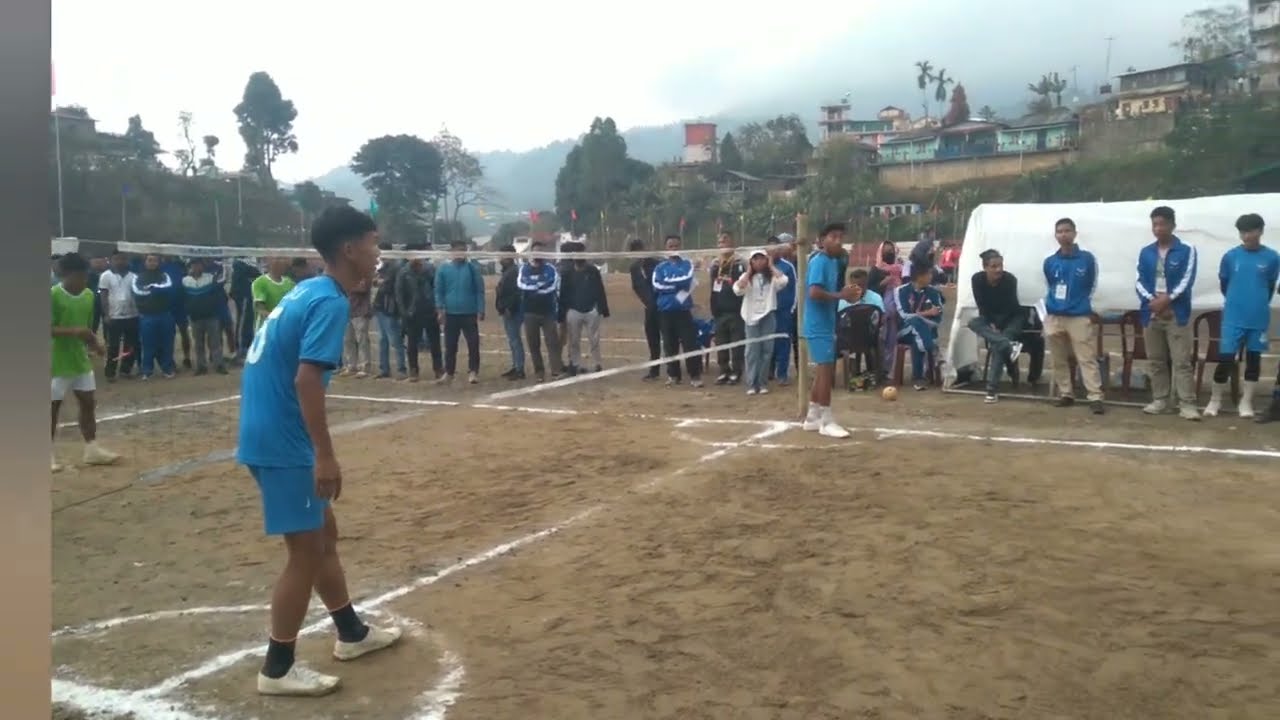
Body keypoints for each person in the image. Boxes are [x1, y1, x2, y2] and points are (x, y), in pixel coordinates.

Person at [237, 205, 401, 697]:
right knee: (305, 551)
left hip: (270, 432)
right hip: (284, 441)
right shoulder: (328, 301)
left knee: (323, 534)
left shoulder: (308, 289)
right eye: (373, 243)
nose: (377, 253)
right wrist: (324, 455)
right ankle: (278, 667)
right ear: (349, 249)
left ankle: (350, 633)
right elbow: (307, 379)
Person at [51, 253, 120, 472]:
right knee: (52, 408)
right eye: (80, 276)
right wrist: (74, 331)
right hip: (55, 361)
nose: (84, 280)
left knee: (88, 403)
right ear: (66, 275)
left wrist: (95, 344)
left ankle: (92, 449)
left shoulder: (89, 295)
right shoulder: (52, 295)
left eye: (85, 276)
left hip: (79, 360)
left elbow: (87, 328)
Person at [1207, 213, 1279, 420]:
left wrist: (1256, 302)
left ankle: (1246, 402)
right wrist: (1236, 301)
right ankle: (1215, 400)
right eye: (1242, 232)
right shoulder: (1231, 257)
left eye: (1250, 231)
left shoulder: (1272, 257)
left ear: (1260, 231)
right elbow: (1224, 284)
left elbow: (1270, 286)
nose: (1246, 236)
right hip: (1233, 317)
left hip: (1258, 318)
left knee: (1254, 360)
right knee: (1226, 359)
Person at [1134, 206, 1199, 420]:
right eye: (1155, 224)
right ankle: (1160, 399)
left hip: (1176, 313)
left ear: (1173, 225)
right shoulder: (1146, 252)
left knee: (1181, 361)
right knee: (1156, 360)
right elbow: (1139, 280)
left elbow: (1187, 280)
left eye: (1162, 224)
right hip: (1151, 312)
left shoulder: (1187, 250)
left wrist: (1168, 299)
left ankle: (1187, 403)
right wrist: (1153, 302)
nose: (1158, 228)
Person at [802, 223, 859, 437]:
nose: (838, 241)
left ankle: (812, 416)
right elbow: (815, 292)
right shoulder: (820, 261)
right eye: (833, 237)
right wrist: (840, 296)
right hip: (818, 323)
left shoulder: (834, 261)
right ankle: (826, 420)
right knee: (826, 370)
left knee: (823, 370)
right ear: (822, 239)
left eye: (840, 237)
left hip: (825, 321)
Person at [1043, 217, 1104, 414]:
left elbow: (1091, 284)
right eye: (1059, 231)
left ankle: (1095, 396)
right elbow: (1050, 285)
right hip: (1054, 315)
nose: (1063, 234)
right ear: (1055, 235)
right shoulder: (1050, 262)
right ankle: (1066, 393)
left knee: (1086, 357)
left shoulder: (1086, 259)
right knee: (1058, 358)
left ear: (1075, 233)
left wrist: (1082, 305)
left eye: (1067, 231)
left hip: (1079, 315)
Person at [967, 250, 1023, 403]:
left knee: (998, 345)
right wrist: (991, 324)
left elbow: (1011, 306)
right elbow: (981, 305)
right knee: (973, 323)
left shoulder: (1010, 280)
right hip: (990, 317)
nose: (999, 269)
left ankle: (991, 389)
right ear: (985, 268)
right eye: (994, 266)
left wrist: (997, 327)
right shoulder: (977, 279)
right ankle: (1009, 345)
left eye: (1000, 266)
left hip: (1012, 317)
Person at [733, 249, 789, 395]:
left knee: (767, 350)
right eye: (755, 259)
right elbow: (738, 289)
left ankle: (762, 382)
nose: (759, 261)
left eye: (762, 258)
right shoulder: (746, 277)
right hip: (750, 317)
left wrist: (771, 266)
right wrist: (748, 272)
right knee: (752, 351)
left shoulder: (772, 277)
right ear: (751, 261)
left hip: (768, 315)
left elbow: (784, 281)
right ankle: (752, 383)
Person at [652, 235, 703, 387]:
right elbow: (656, 285)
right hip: (665, 312)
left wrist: (668, 284)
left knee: (690, 344)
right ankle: (673, 375)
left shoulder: (687, 264)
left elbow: (687, 280)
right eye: (670, 246)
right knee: (669, 345)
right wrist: (676, 286)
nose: (673, 249)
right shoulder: (659, 268)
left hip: (683, 311)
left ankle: (695, 376)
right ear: (666, 248)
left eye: (676, 246)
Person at [434, 240, 485, 384]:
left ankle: (473, 371)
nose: (460, 253)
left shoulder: (472, 268)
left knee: (473, 343)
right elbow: (438, 291)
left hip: (469, 313)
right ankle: (449, 372)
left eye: (463, 250)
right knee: (450, 345)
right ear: (452, 252)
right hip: (450, 313)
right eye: (458, 250)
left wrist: (480, 309)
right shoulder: (443, 269)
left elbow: (479, 290)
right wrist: (440, 309)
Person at [518, 241, 564, 382]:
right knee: (533, 344)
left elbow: (552, 286)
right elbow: (521, 284)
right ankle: (539, 372)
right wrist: (538, 286)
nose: (539, 254)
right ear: (531, 253)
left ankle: (556, 370)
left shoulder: (550, 268)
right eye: (536, 251)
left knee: (553, 342)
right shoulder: (524, 269)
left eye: (541, 251)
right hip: (529, 312)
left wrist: (534, 286)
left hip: (548, 312)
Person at [895, 262, 946, 391]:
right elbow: (904, 315)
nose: (931, 276)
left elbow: (938, 317)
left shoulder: (934, 292)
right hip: (905, 330)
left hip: (926, 330)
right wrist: (926, 313)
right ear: (919, 276)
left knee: (917, 339)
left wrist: (920, 316)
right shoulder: (901, 290)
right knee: (916, 323)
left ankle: (918, 378)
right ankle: (933, 350)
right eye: (929, 274)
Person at [559, 246, 610, 375]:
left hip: (591, 310)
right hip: (574, 310)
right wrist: (562, 313)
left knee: (594, 339)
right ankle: (575, 364)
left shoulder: (593, 271)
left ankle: (597, 363)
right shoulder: (567, 273)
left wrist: (602, 308)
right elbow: (563, 294)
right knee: (574, 340)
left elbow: (600, 289)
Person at [131, 254, 178, 380]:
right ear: (145, 262)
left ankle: (167, 368)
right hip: (147, 316)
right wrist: (155, 290)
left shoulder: (165, 275)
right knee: (148, 344)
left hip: (165, 314)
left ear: (159, 262)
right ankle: (147, 370)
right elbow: (137, 291)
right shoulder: (138, 277)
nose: (152, 263)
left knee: (167, 344)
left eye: (155, 261)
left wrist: (151, 288)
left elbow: (168, 287)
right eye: (150, 260)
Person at [709, 232, 747, 385]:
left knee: (737, 343)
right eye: (719, 241)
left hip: (737, 310)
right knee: (721, 342)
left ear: (732, 242)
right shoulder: (715, 264)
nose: (722, 243)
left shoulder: (741, 262)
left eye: (725, 240)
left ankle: (736, 371)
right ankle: (724, 370)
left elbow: (744, 285)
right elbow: (712, 287)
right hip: (720, 310)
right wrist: (713, 307)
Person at [395, 258, 442, 382]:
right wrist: (404, 312)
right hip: (413, 313)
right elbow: (399, 293)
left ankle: (438, 369)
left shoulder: (430, 269)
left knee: (435, 342)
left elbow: (437, 288)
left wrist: (438, 307)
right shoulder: (403, 272)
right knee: (412, 344)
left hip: (430, 311)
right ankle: (414, 370)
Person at [97, 251, 139, 381]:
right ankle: (110, 372)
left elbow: (137, 296)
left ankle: (125, 370)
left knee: (130, 346)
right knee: (113, 346)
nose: (120, 262)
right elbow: (103, 296)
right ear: (111, 260)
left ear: (127, 260)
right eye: (117, 259)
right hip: (114, 316)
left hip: (132, 315)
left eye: (123, 259)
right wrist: (106, 314)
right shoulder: (106, 276)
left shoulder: (134, 277)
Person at [182, 258, 227, 375]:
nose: (197, 267)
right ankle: (201, 366)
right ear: (190, 267)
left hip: (211, 316)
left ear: (202, 266)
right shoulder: (185, 281)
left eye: (199, 265)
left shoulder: (210, 278)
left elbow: (219, 290)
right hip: (195, 317)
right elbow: (183, 298)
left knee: (215, 342)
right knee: (198, 344)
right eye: (194, 265)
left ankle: (218, 365)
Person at [868, 241, 905, 379]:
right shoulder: (876, 270)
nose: (889, 253)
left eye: (891, 251)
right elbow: (870, 290)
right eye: (886, 251)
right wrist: (885, 282)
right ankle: (877, 369)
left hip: (895, 314)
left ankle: (886, 370)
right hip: (879, 312)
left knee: (891, 341)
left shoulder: (900, 269)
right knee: (880, 341)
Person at [628, 238, 662, 381]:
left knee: (669, 338)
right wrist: (645, 302)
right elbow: (636, 286)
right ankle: (654, 370)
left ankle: (674, 370)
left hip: (662, 306)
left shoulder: (657, 264)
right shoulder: (634, 268)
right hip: (649, 308)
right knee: (652, 339)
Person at [371, 245, 407, 380]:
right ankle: (384, 368)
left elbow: (387, 286)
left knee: (395, 339)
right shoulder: (382, 268)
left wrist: (379, 282)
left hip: (390, 308)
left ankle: (401, 368)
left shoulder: (395, 268)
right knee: (383, 340)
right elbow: (376, 283)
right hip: (380, 307)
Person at [768, 236, 798, 385]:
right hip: (767, 312)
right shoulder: (761, 266)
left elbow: (795, 288)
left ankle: (782, 374)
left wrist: (792, 308)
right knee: (768, 343)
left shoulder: (787, 266)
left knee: (783, 343)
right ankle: (768, 371)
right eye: (770, 247)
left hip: (784, 311)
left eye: (776, 247)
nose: (773, 251)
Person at [495, 244, 526, 380]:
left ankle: (519, 368)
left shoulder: (513, 272)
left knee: (515, 340)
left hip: (512, 310)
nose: (500, 258)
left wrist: (509, 308)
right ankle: (516, 366)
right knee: (512, 340)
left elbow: (515, 293)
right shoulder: (509, 271)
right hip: (507, 309)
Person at [341, 278, 373, 378]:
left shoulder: (363, 274)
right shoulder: (347, 275)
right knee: (347, 340)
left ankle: (364, 367)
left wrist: (346, 284)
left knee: (362, 340)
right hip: (347, 311)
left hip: (360, 311)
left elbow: (363, 288)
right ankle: (351, 366)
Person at [253, 258, 296, 330]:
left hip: (284, 327)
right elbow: (260, 309)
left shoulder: (289, 282)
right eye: (279, 261)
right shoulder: (260, 282)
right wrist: (278, 318)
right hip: (266, 328)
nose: (283, 264)